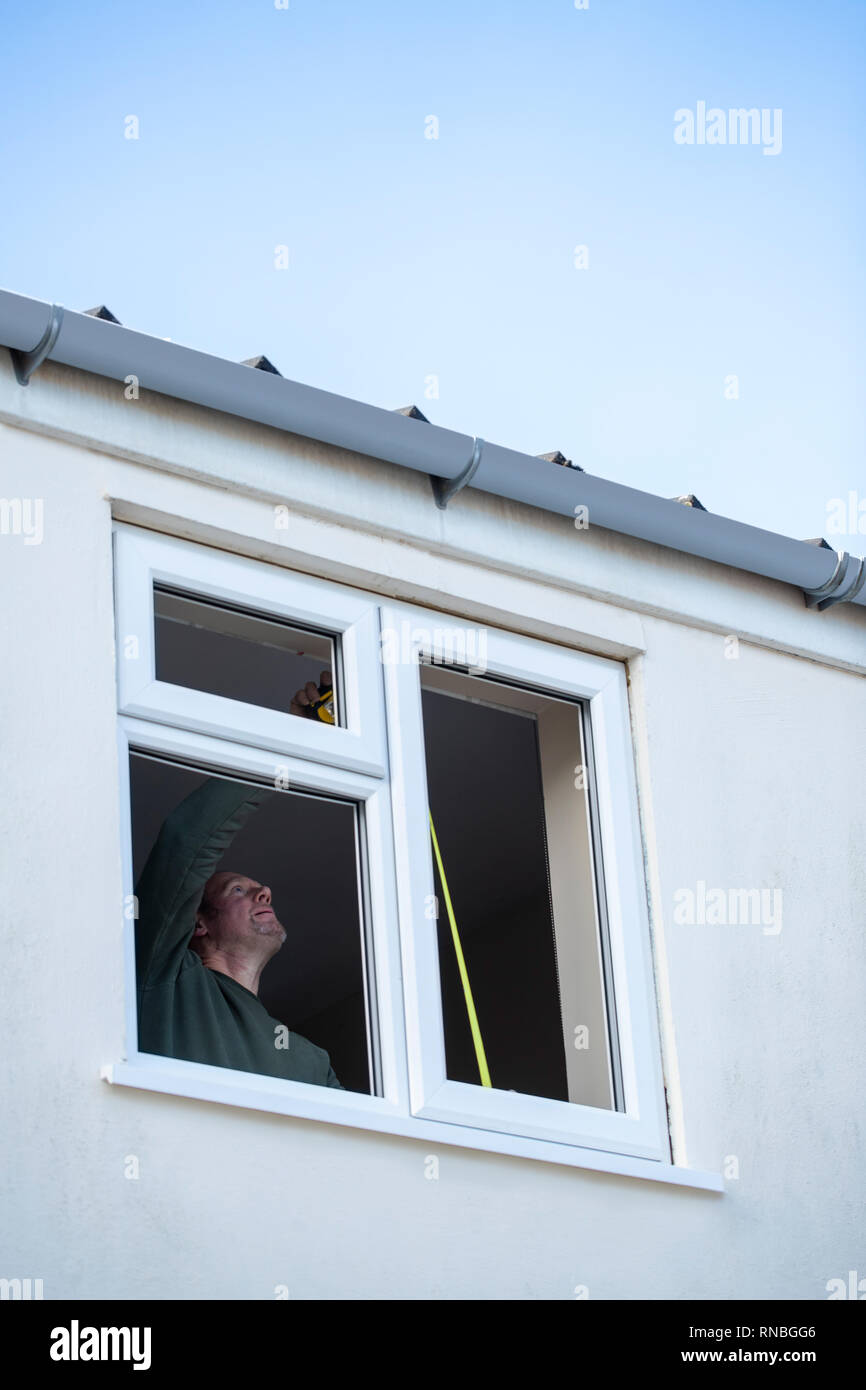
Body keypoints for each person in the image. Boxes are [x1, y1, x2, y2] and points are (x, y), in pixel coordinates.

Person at [134, 673, 344, 1088]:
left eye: (257, 889)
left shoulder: (308, 1061)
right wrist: (292, 740)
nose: (264, 891)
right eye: (238, 890)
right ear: (198, 923)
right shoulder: (167, 981)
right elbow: (186, 842)